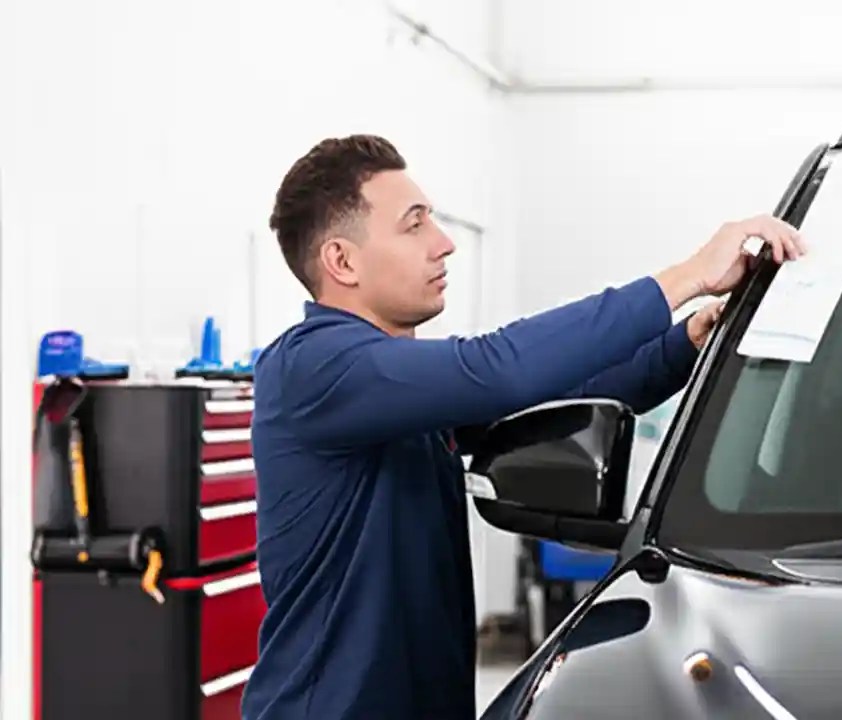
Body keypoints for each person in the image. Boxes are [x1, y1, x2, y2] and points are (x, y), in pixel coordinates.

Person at [240, 134, 804, 720]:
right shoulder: (311, 366)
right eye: (414, 226)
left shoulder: (393, 387)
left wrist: (686, 341)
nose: (444, 244)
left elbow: (555, 397)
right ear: (343, 261)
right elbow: (500, 370)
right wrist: (689, 276)